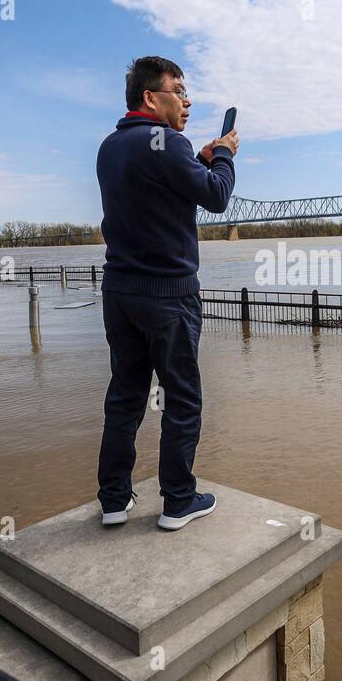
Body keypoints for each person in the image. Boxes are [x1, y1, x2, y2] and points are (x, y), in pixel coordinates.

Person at [94, 56, 238, 530]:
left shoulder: (110, 147)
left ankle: (114, 500)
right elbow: (215, 196)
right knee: (182, 399)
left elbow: (154, 189)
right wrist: (223, 156)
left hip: (120, 291)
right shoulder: (169, 143)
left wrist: (195, 159)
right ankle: (178, 500)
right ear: (151, 98)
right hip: (168, 296)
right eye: (178, 90)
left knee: (125, 397)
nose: (188, 99)